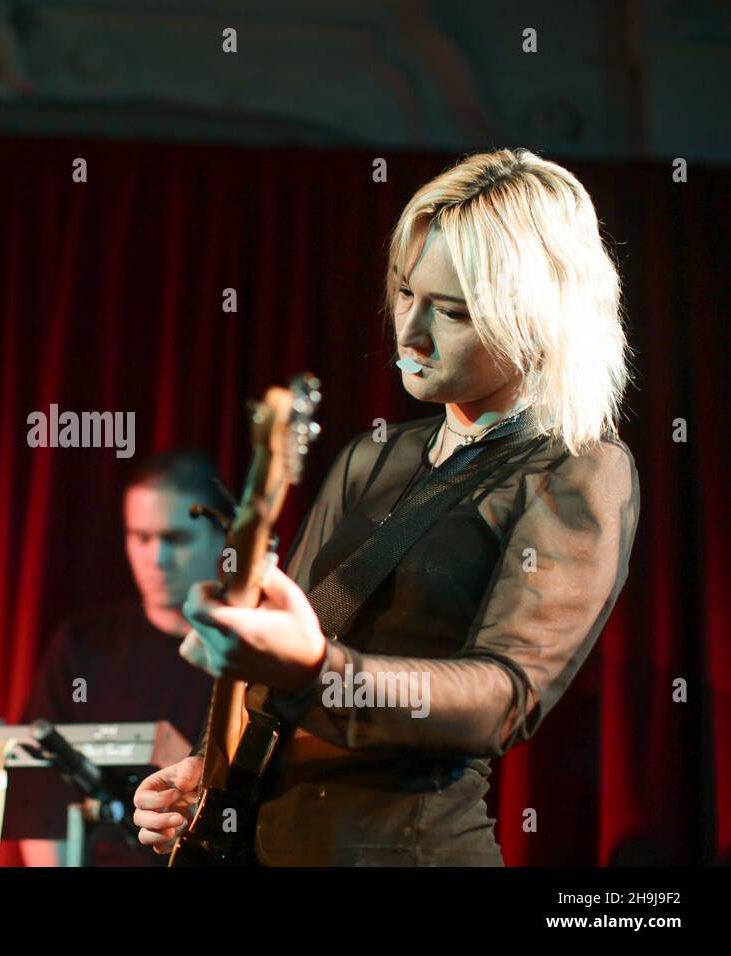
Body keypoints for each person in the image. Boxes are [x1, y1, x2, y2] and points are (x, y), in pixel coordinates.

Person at [133, 148, 642, 866]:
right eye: (406, 293)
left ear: (538, 320)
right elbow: (273, 654)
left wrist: (319, 671)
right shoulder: (373, 457)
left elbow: (506, 694)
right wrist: (207, 772)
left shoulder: (579, 469)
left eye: (453, 311)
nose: (409, 333)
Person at [19, 449, 226, 866]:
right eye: (141, 537)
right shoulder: (83, 644)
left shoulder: (256, 649)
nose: (157, 559)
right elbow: (39, 794)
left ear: (224, 535)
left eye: (176, 539)